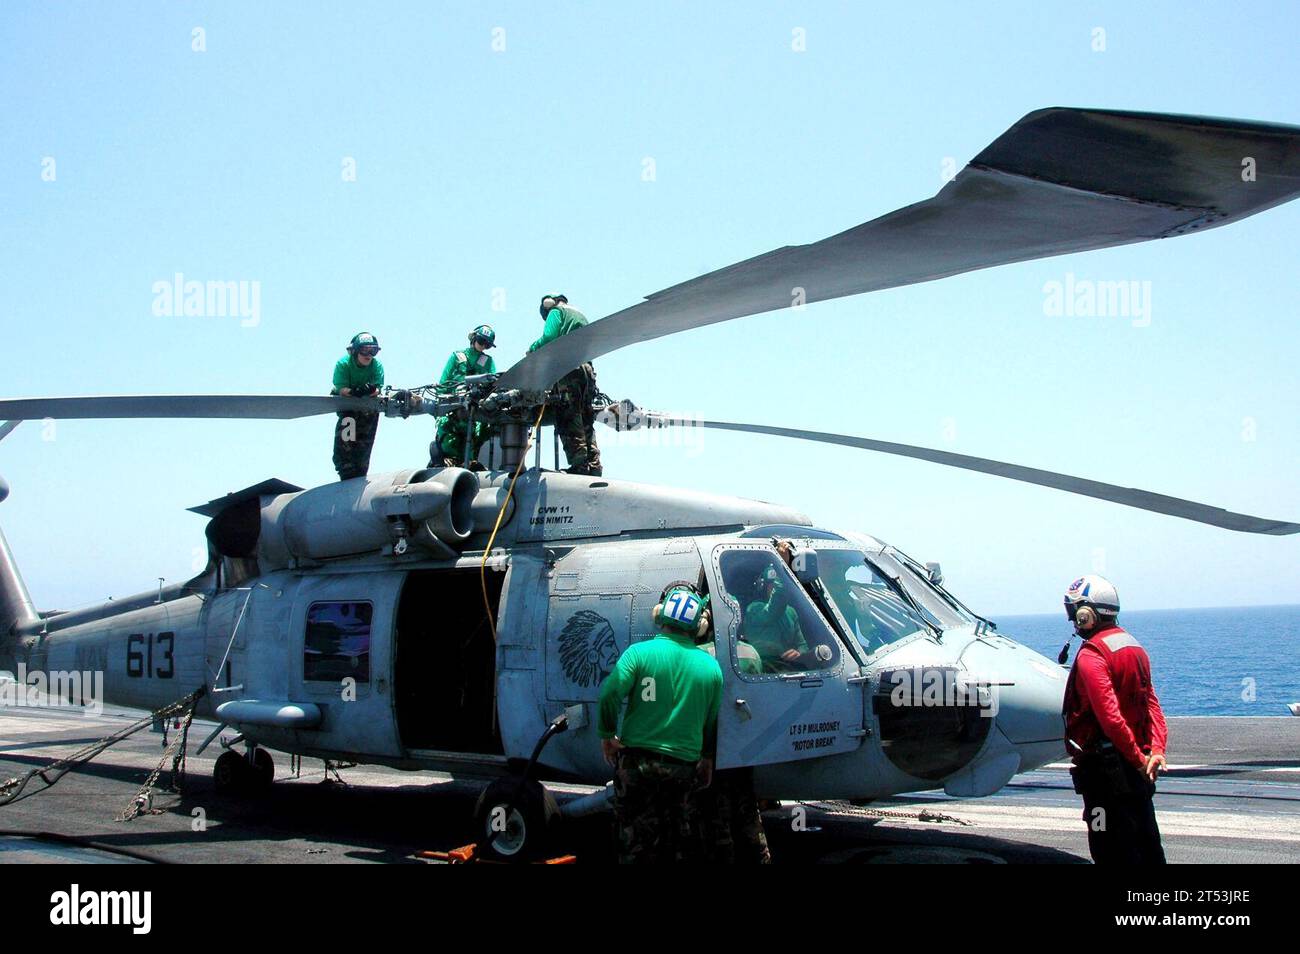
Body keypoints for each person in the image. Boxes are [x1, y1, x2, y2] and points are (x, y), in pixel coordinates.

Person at [597, 581, 722, 863]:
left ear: (660, 613)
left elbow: (609, 694)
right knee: (676, 843)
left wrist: (607, 734)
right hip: (682, 768)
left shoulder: (638, 654)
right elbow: (711, 723)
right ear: (699, 625)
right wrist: (707, 759)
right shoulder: (712, 668)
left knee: (633, 843)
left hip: (636, 765)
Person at [1061, 574, 1168, 864]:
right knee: (1147, 842)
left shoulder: (1091, 655)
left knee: (1106, 844)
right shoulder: (1134, 647)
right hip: (1138, 770)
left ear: (1087, 614)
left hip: (1104, 772)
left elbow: (1110, 718)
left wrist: (1135, 758)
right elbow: (1152, 705)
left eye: (1075, 613)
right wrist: (1155, 752)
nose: (1073, 621)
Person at [688, 574, 771, 864]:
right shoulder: (752, 654)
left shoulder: (697, 657)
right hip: (742, 748)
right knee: (748, 815)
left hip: (711, 752)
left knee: (714, 820)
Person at [528, 294, 602, 476]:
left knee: (568, 415)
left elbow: (549, 336)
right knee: (586, 417)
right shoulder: (579, 314)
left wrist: (532, 350)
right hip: (587, 369)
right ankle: (594, 465)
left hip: (568, 369)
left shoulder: (555, 311)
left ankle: (579, 465)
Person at [430, 324, 497, 468]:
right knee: (448, 429)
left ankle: (470, 460)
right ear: (474, 339)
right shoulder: (457, 357)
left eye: (487, 344)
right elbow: (443, 383)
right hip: (454, 407)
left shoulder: (488, 362)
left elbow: (494, 385)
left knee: (479, 429)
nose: (483, 346)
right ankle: (450, 459)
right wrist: (441, 409)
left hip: (476, 409)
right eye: (481, 341)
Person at [331, 332, 384, 480]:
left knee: (364, 447)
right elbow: (342, 389)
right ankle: (346, 470)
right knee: (346, 444)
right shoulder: (343, 364)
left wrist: (370, 390)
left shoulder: (376, 366)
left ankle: (360, 472)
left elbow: (377, 388)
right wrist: (355, 392)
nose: (368, 355)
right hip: (348, 409)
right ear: (354, 351)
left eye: (372, 351)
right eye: (364, 350)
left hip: (368, 410)